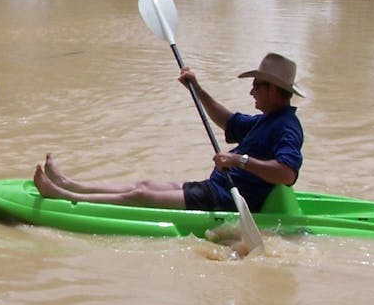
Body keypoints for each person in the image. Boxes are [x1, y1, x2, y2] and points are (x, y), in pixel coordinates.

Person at [32, 52, 304, 212]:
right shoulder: (265, 120)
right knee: (144, 184)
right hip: (215, 188)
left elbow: (286, 173)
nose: (251, 90)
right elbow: (228, 120)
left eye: (256, 85)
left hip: (228, 201)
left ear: (272, 89)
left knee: (142, 196)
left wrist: (239, 160)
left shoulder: (286, 127)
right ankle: (70, 183)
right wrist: (195, 89)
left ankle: (66, 198)